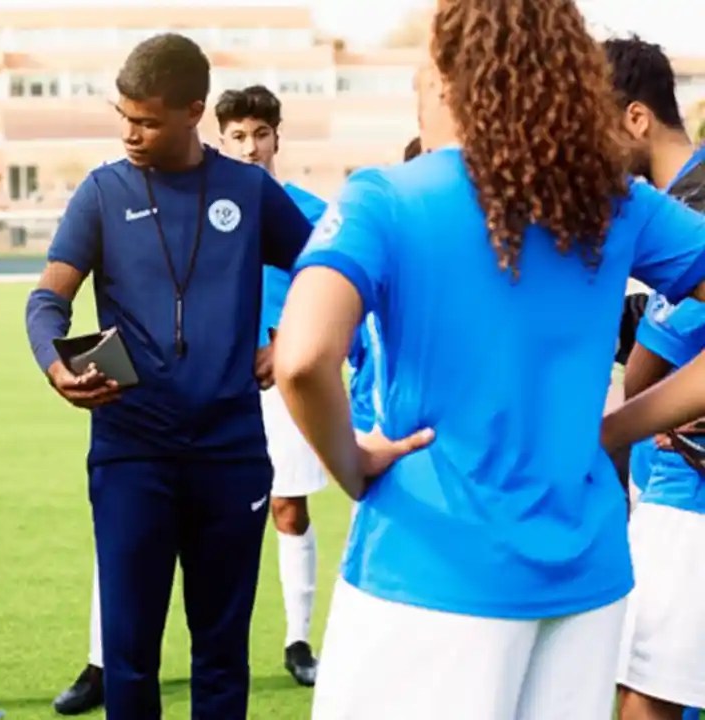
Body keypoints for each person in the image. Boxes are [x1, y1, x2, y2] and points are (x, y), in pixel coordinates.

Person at [272, 0, 705, 716]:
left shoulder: (387, 196)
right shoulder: (617, 202)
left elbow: (302, 357)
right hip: (584, 578)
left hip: (428, 566)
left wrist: (350, 461)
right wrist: (615, 429)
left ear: (447, 77)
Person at [26, 34, 313, 720]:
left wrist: (288, 339)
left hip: (231, 453)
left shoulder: (248, 190)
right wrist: (56, 366)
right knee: (128, 654)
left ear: (193, 112)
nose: (130, 133)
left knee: (221, 653)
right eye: (123, 117)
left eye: (147, 121)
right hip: (131, 452)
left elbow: (324, 269)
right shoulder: (102, 192)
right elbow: (47, 300)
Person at [603, 35, 705, 720]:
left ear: (636, 119)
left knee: (647, 696)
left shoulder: (691, 205)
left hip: (685, 488)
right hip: (664, 478)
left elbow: (643, 376)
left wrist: (619, 423)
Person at [218, 83, 326, 686]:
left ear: (277, 139)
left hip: (286, 381)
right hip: (215, 381)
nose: (250, 147)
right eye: (237, 136)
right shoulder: (207, 209)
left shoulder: (310, 211)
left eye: (260, 134)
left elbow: (330, 291)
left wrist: (285, 343)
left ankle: (298, 640)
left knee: (289, 506)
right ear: (220, 141)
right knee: (208, 516)